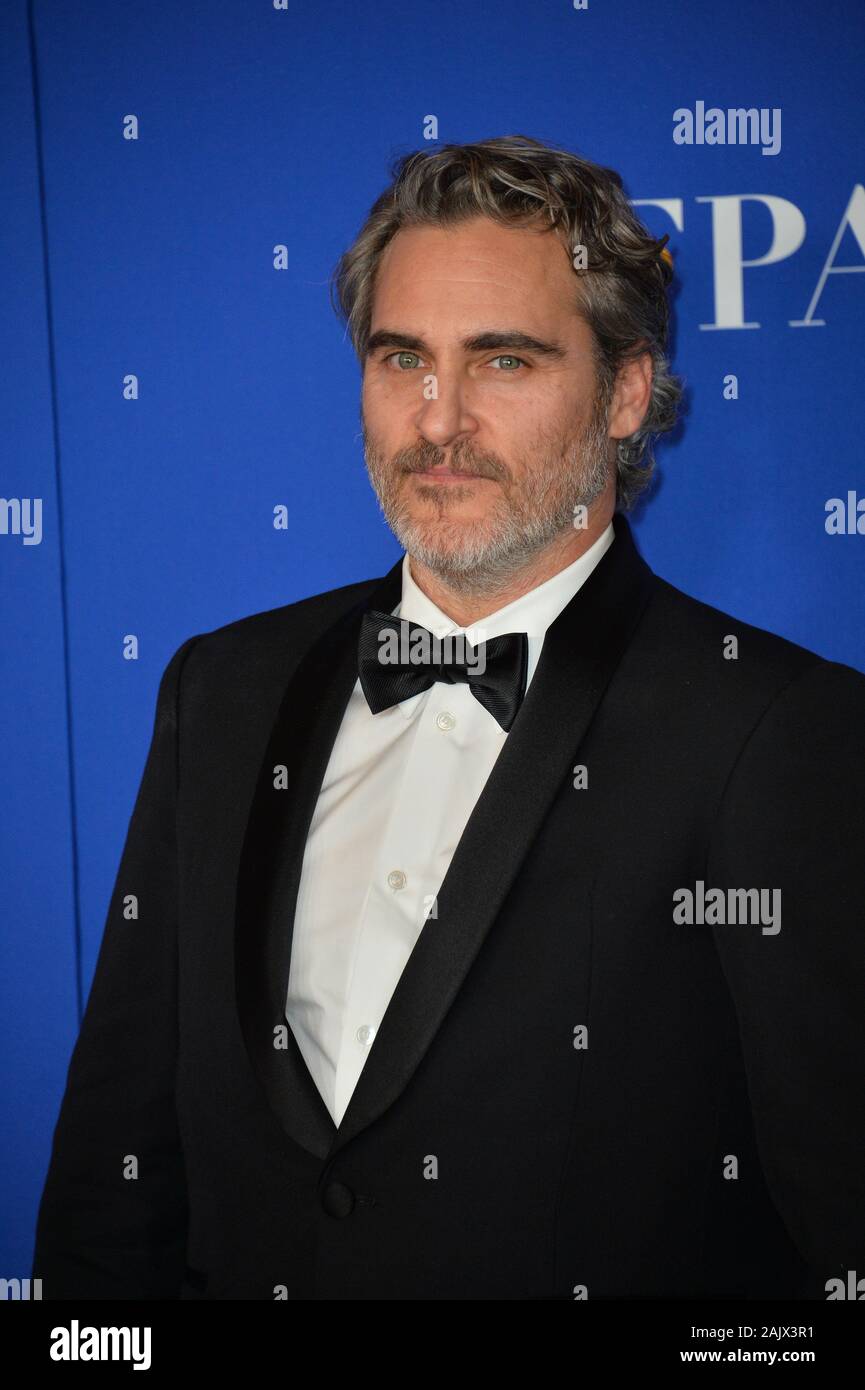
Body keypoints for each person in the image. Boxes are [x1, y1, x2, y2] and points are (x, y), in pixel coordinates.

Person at [33, 135, 865, 1300]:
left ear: (626, 391)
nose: (437, 418)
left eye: (504, 362)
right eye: (400, 359)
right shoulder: (222, 689)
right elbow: (112, 1180)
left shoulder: (775, 728)